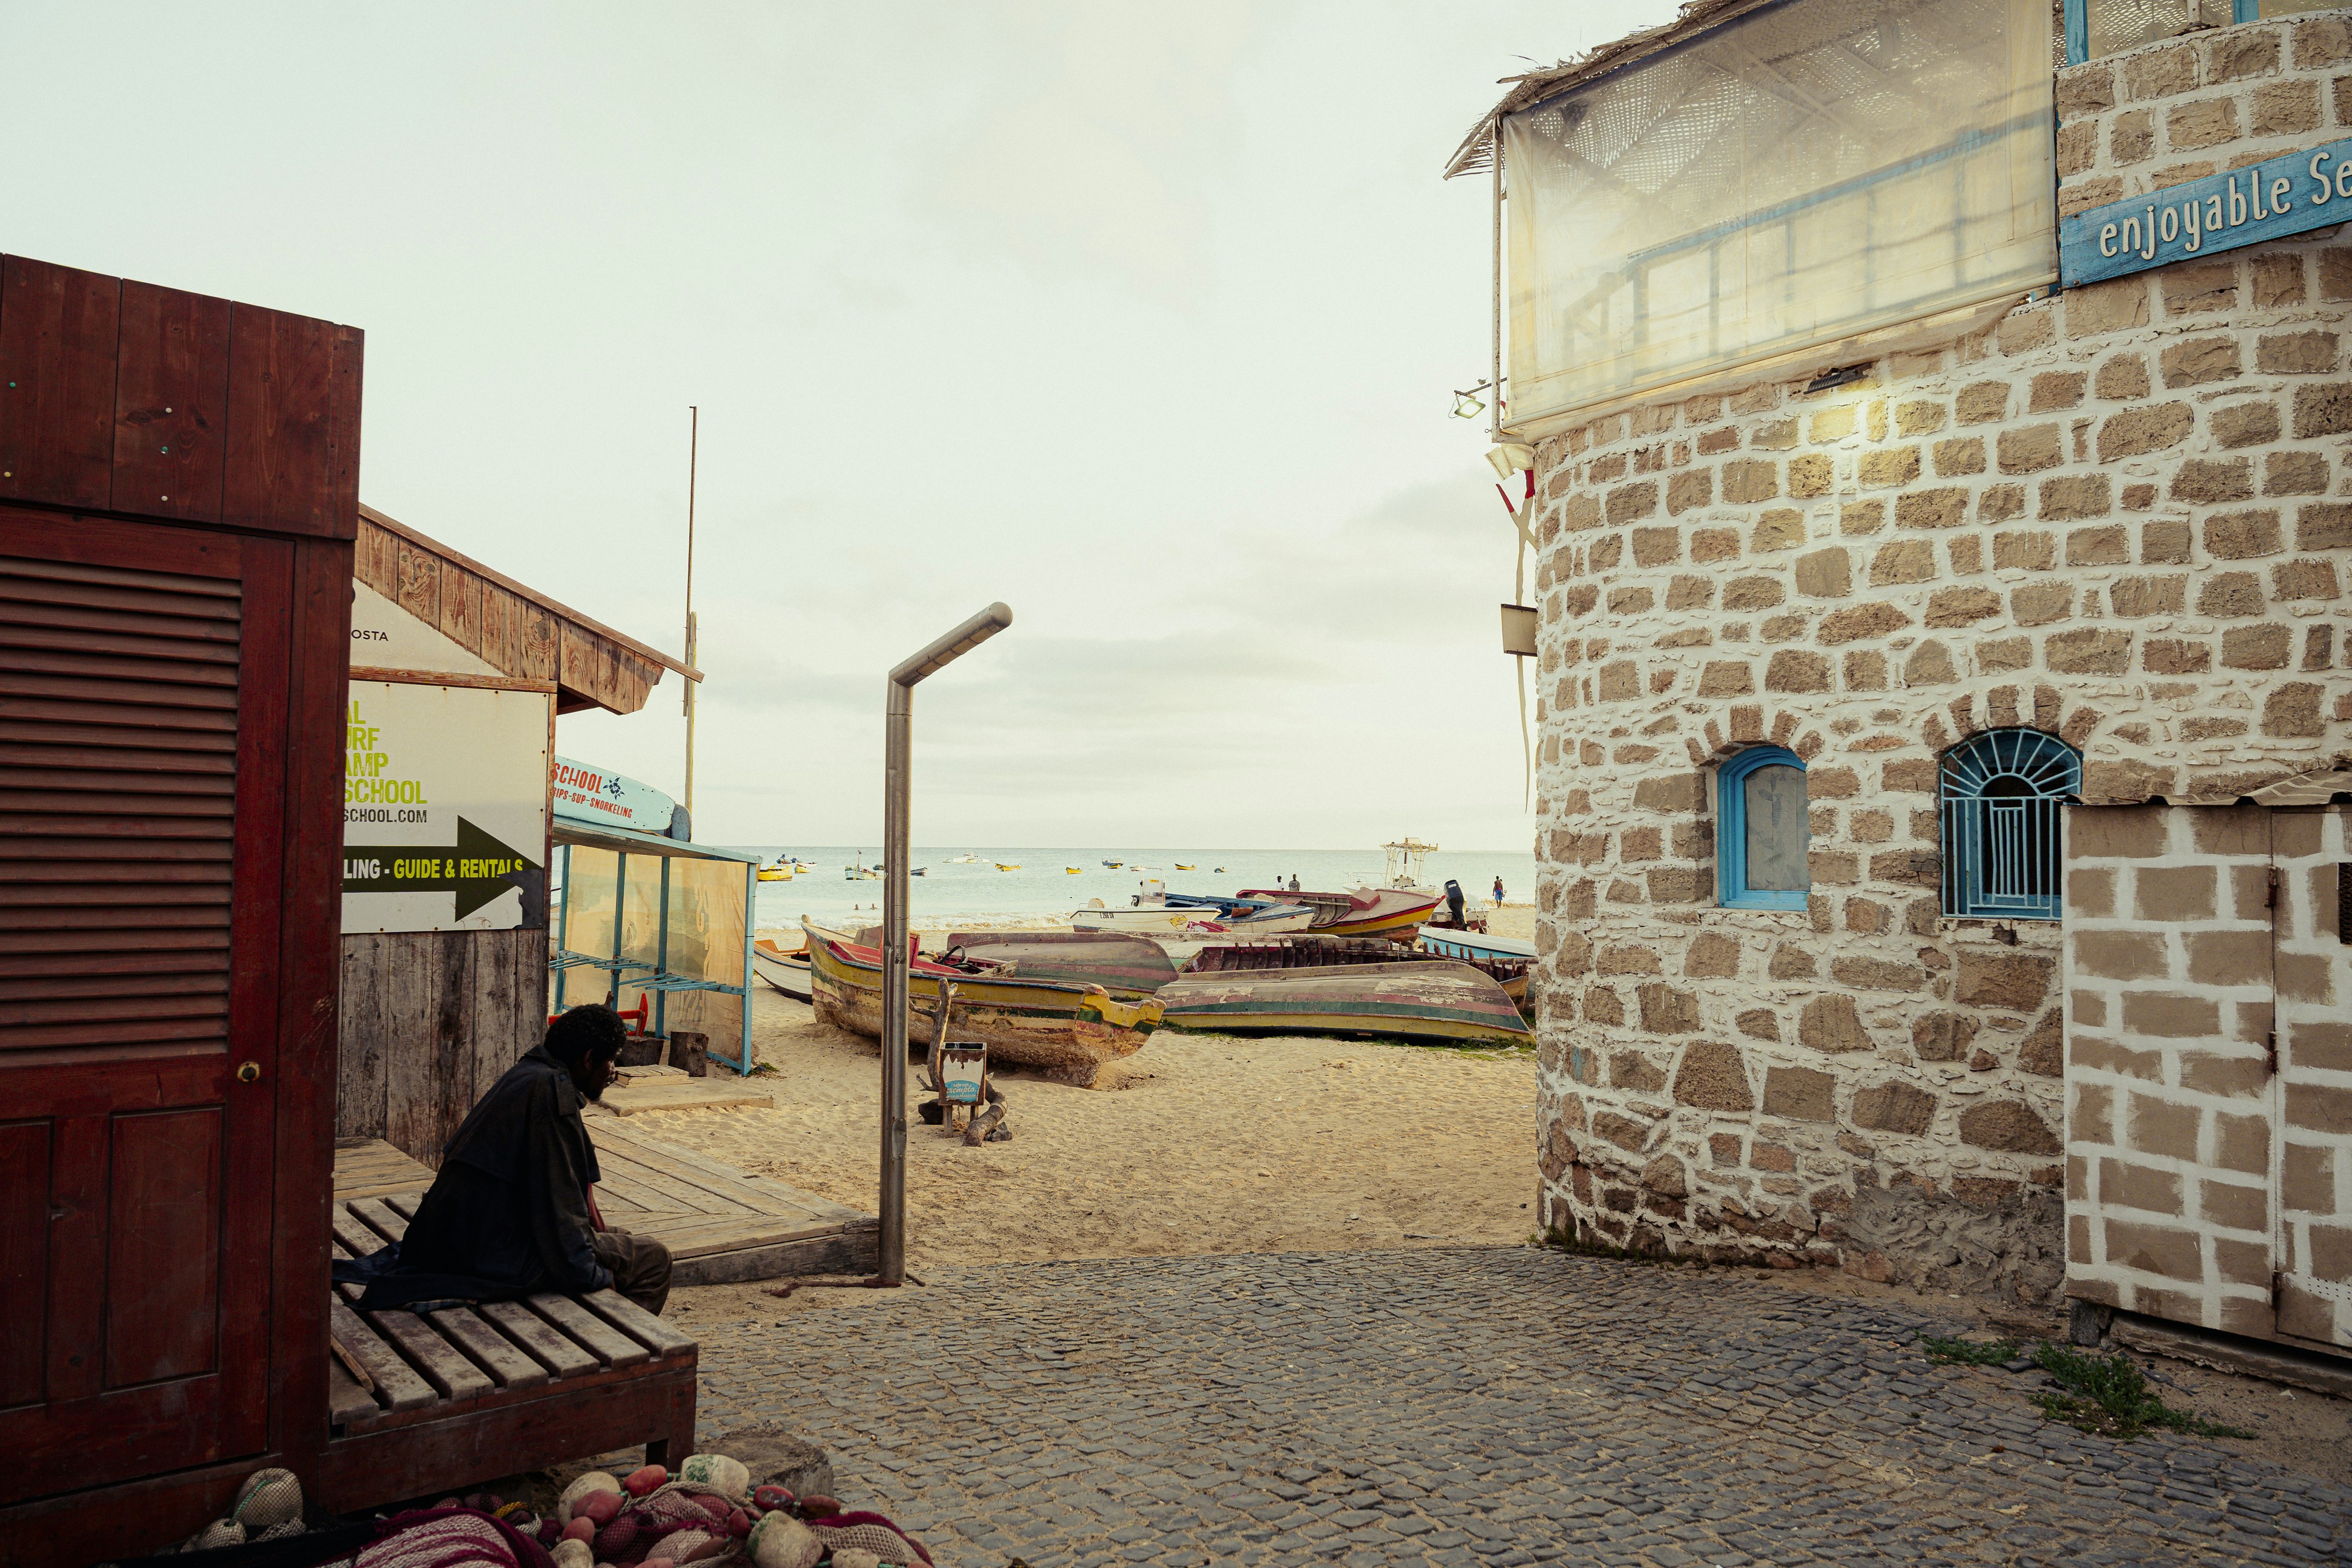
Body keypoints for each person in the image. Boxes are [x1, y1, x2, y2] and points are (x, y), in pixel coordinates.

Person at [352, 1004, 672, 1315]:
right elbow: (561, 1210)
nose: (612, 1073)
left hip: (461, 1239)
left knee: (625, 1241)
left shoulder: (528, 1073)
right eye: (612, 1062)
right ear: (589, 1060)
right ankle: (619, 1338)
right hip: (493, 1258)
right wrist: (593, 1277)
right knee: (654, 1259)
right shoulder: (552, 1095)